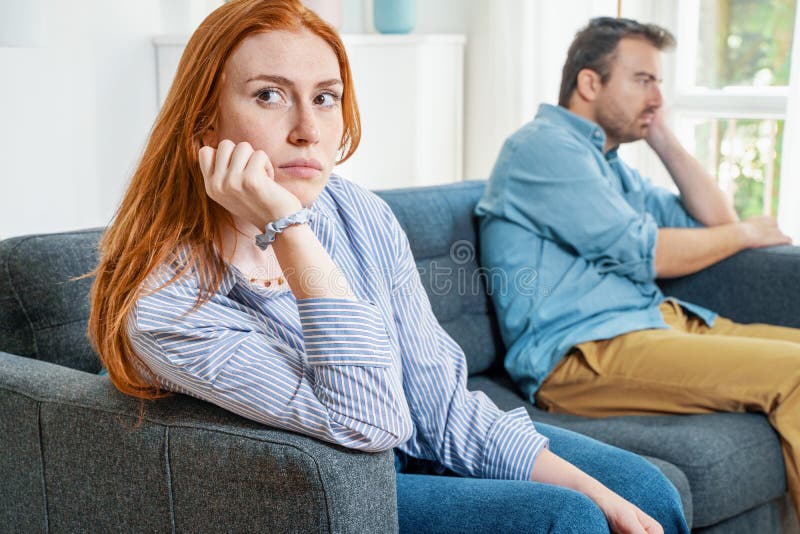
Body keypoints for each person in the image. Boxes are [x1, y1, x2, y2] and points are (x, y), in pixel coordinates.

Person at [88, 2, 688, 532]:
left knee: (643, 492)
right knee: (567, 519)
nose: (307, 130)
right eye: (269, 95)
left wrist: (589, 485)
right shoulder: (165, 303)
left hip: (411, 444)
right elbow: (370, 421)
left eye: (325, 97)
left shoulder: (356, 212)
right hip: (340, 486)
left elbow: (438, 405)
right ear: (203, 120)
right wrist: (288, 229)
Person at [476, 15, 800, 524]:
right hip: (582, 353)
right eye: (643, 80)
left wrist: (663, 137)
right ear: (590, 82)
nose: (656, 96)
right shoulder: (542, 148)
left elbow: (716, 219)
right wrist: (745, 234)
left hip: (651, 324)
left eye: (659, 84)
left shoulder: (608, 163)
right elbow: (647, 253)